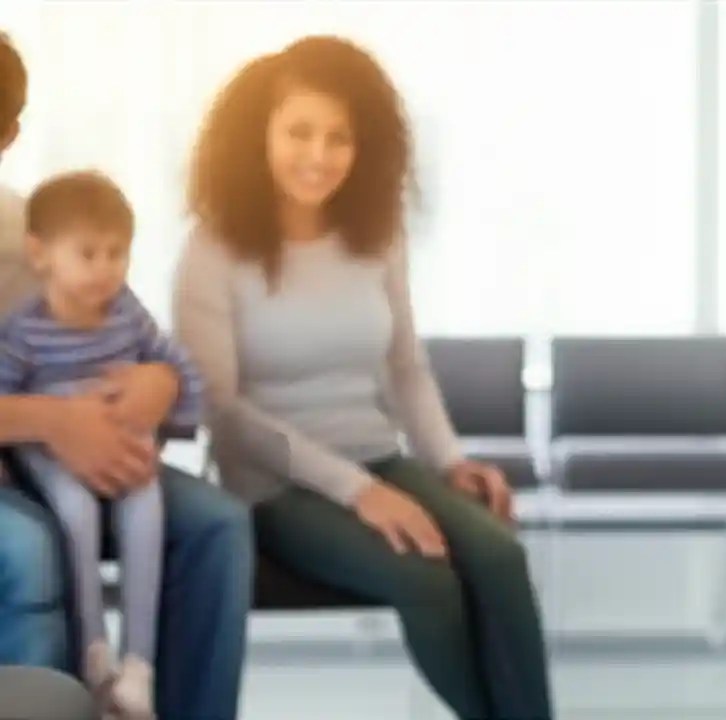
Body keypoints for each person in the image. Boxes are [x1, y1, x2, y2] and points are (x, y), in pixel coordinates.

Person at [174, 35, 553, 720]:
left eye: (338, 137)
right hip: (275, 485)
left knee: (500, 555)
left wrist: (449, 462)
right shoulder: (212, 248)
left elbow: (406, 367)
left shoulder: (378, 233)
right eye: (299, 131)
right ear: (258, 133)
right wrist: (360, 494)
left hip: (379, 457)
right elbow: (222, 411)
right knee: (427, 580)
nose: (318, 155)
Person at [0, 33, 251, 720]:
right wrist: (51, 422)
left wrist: (159, 387)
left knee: (218, 527)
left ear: (9, 132)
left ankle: (150, 694)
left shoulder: (35, 226)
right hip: (34, 451)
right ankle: (82, 683)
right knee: (33, 543)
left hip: (65, 441)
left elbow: (122, 329)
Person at [0, 171, 204, 717]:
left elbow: (178, 368)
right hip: (45, 451)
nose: (104, 269)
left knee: (160, 511)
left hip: (126, 441)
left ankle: (138, 666)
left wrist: (164, 394)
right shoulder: (23, 331)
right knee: (73, 515)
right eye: (88, 255)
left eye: (117, 254)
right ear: (41, 255)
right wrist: (52, 425)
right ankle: (93, 650)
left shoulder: (127, 312)